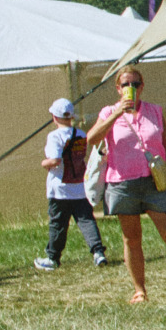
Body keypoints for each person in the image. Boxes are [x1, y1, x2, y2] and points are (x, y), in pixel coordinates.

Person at [85, 66, 166, 302]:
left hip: (154, 181)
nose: (130, 89)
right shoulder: (109, 112)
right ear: (117, 88)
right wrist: (116, 115)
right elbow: (91, 139)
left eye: (135, 84)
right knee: (131, 239)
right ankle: (139, 290)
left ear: (142, 87)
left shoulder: (154, 111)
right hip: (122, 183)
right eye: (125, 85)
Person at [36, 98, 110, 270]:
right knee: (86, 220)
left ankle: (53, 258)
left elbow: (55, 160)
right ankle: (98, 252)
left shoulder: (54, 136)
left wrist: (43, 163)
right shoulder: (81, 134)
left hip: (59, 189)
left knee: (58, 224)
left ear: (54, 117)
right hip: (79, 187)